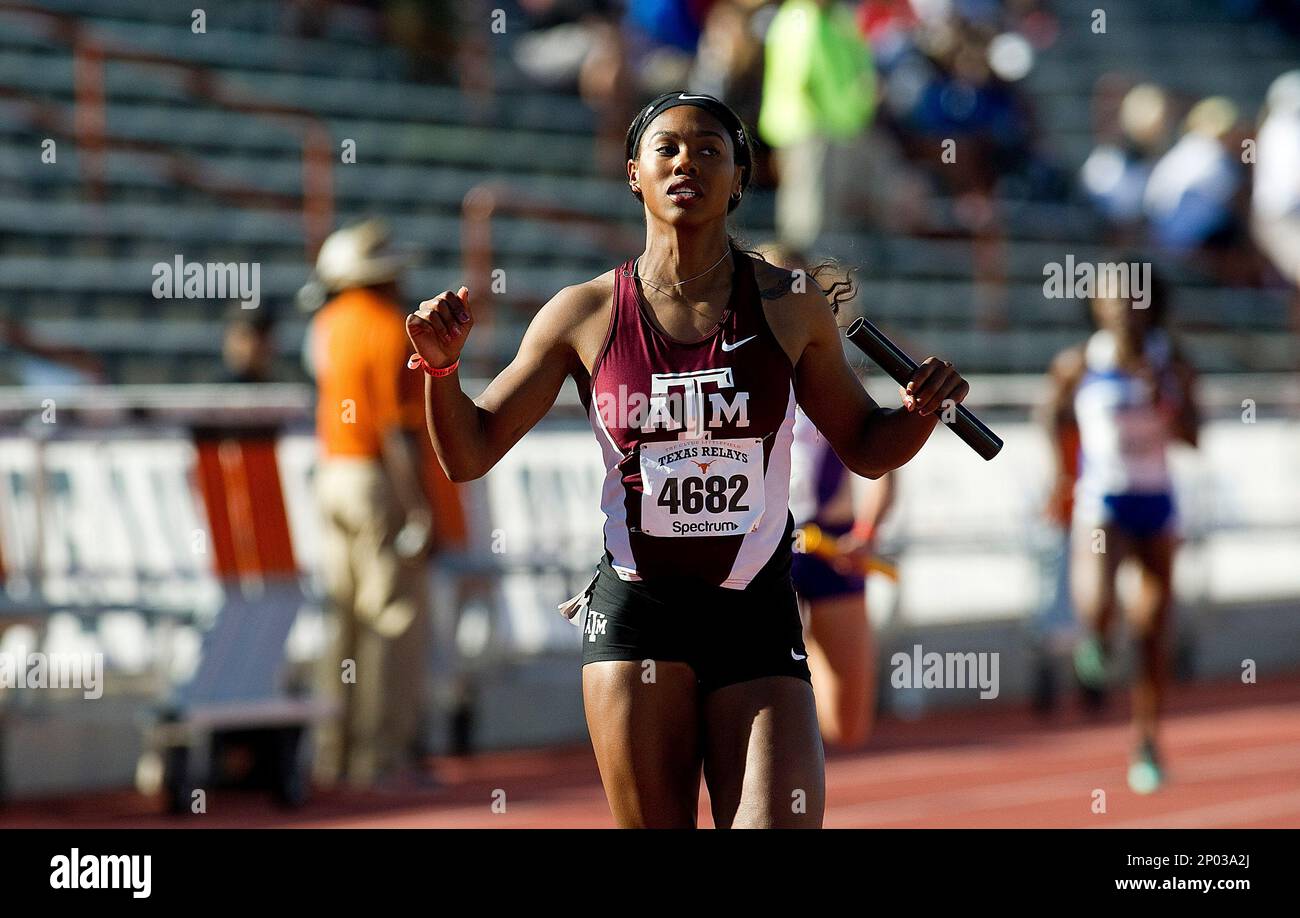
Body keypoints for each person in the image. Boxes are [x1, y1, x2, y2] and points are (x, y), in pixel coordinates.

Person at [407, 91, 969, 828]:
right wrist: (443, 372)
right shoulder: (582, 314)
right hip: (639, 618)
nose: (687, 163)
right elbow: (469, 453)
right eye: (667, 148)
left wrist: (921, 413)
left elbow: (866, 449)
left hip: (755, 614)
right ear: (633, 171)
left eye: (710, 150)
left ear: (740, 178)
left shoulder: (790, 304)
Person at [1044, 263, 1199, 794]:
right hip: (1102, 500)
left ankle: (1148, 742)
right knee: (1099, 604)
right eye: (1111, 299)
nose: (1122, 309)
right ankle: (1095, 638)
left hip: (1155, 502)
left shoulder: (1170, 362)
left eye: (1132, 299)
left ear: (1151, 304)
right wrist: (1060, 476)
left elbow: (1195, 437)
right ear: (1097, 307)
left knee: (1154, 628)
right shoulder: (1079, 362)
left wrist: (1164, 397)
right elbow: (1053, 414)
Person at [306, 219, 437, 790]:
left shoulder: (328, 323)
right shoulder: (391, 327)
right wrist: (420, 507)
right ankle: (379, 757)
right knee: (391, 617)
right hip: (377, 482)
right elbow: (396, 431)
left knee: (345, 619)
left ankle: (331, 751)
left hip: (332, 473)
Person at [760, 242, 893, 749]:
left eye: (797, 286)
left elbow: (883, 468)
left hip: (833, 546)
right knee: (774, 704)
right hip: (764, 549)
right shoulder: (736, 370)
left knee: (848, 724)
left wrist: (865, 533)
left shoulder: (835, 373)